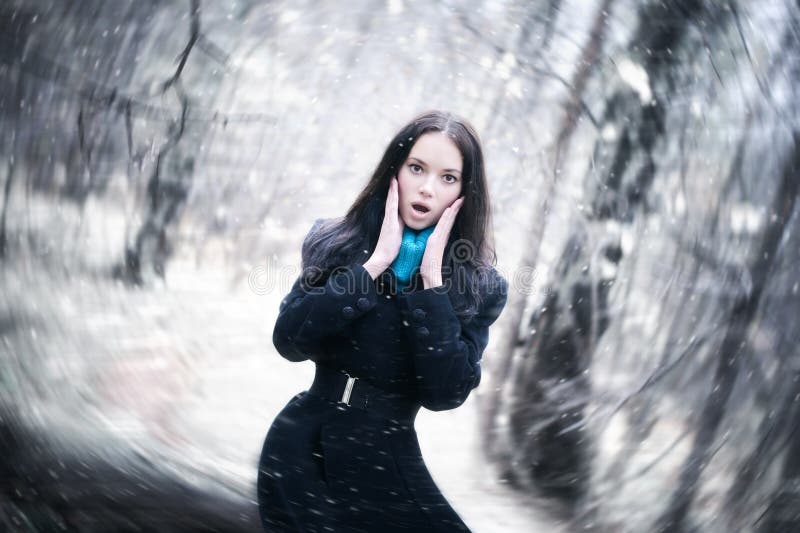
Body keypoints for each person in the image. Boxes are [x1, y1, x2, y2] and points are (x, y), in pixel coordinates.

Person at [257, 110, 508, 532]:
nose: (427, 188)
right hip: (301, 446)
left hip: (385, 454)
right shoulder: (336, 242)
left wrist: (431, 285)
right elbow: (290, 340)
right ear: (394, 171)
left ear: (465, 192)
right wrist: (373, 265)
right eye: (417, 168)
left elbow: (445, 394)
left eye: (448, 177)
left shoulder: (480, 286)